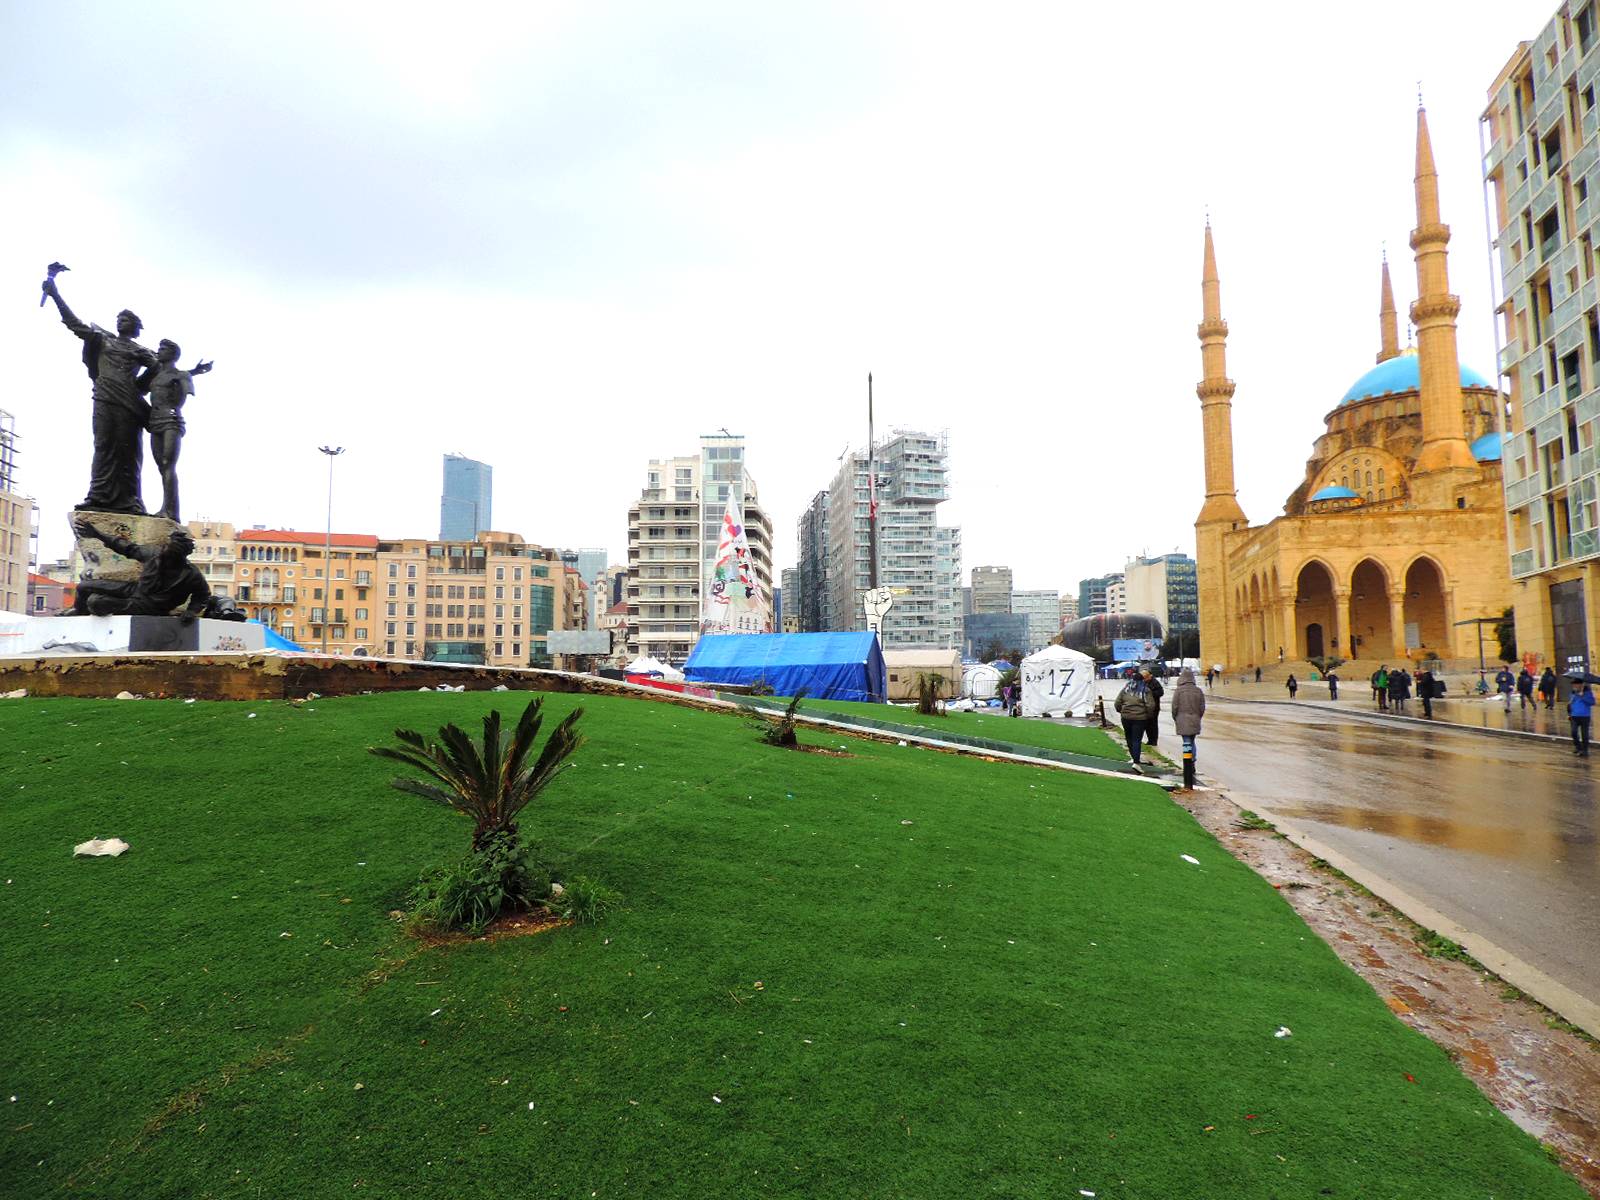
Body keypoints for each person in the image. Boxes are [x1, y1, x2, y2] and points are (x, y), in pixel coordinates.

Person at [42, 274, 158, 514]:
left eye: (125, 319)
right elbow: (74, 324)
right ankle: (98, 495)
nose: (120, 321)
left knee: (128, 450)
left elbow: (159, 367)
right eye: (118, 318)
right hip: (105, 396)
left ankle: (130, 500)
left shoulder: (139, 350)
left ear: (135, 327)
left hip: (128, 403)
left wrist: (138, 386)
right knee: (103, 445)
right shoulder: (103, 339)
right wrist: (54, 294)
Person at [68, 518, 209, 617]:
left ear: (180, 556)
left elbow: (203, 595)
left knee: (95, 601)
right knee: (84, 587)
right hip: (137, 590)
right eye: (166, 548)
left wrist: (191, 611)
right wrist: (97, 534)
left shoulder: (191, 574)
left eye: (170, 552)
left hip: (151, 607)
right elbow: (126, 547)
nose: (164, 552)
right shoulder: (154, 554)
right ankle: (79, 612)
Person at [138, 339, 214, 523]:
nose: (159, 351)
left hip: (171, 421)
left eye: (163, 349)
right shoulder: (155, 375)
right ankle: (166, 507)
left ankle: (172, 511)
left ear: (173, 354)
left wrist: (192, 374)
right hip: (154, 422)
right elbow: (139, 387)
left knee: (168, 464)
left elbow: (186, 388)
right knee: (161, 466)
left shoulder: (181, 375)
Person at [1170, 667, 1206, 790]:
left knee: (1186, 742)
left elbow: (1174, 706)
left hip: (1182, 719)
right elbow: (1202, 707)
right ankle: (1192, 762)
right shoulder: (1198, 691)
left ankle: (1188, 764)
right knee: (1192, 741)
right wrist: (1198, 716)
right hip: (1195, 719)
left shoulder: (1178, 691)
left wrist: (1176, 717)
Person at [1113, 670, 1158, 766]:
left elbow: (1117, 702)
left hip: (1126, 717)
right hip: (1140, 718)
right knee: (1137, 739)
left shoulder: (1126, 689)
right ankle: (1136, 761)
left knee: (1129, 738)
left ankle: (1133, 757)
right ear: (1143, 680)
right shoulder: (1145, 690)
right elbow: (1150, 705)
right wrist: (1149, 715)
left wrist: (1120, 711)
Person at [1569, 680, 1594, 757]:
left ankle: (1585, 750)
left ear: (1581, 685)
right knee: (1573, 732)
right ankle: (1578, 747)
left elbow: (1592, 702)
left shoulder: (1587, 692)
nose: (1574, 686)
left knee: (1584, 734)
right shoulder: (1572, 693)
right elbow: (1570, 704)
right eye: (1573, 685)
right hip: (1574, 716)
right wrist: (1569, 713)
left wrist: (1582, 696)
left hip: (1585, 716)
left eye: (1576, 685)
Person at [1143, 667, 1165, 747]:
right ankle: (1150, 740)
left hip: (1154, 707)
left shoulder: (1155, 682)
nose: (1144, 680)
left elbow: (1161, 692)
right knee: (1147, 724)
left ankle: (1154, 740)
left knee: (1153, 724)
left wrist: (1150, 693)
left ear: (1149, 676)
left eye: (1145, 678)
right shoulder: (1143, 682)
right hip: (1146, 707)